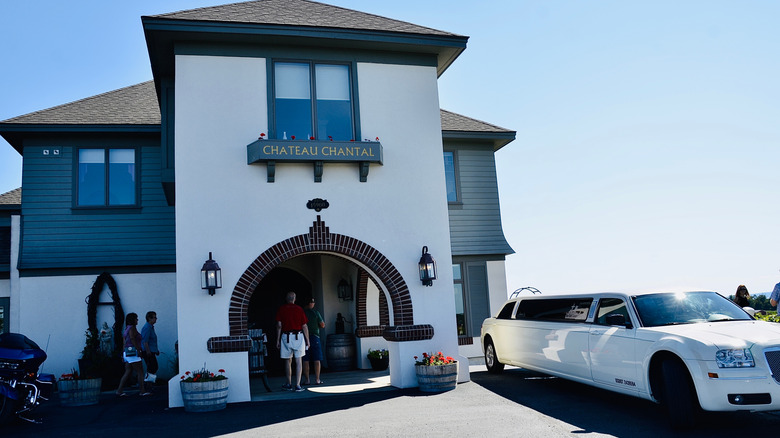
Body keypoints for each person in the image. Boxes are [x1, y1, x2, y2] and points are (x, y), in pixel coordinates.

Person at [275, 291, 309, 392]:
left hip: (286, 337)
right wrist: (308, 340)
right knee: (299, 361)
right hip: (298, 336)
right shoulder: (299, 309)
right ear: (294, 299)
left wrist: (277, 340)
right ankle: (298, 385)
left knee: (287, 360)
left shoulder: (282, 309)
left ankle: (288, 383)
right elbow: (304, 326)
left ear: (286, 298)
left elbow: (279, 326)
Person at [116, 313, 151, 397]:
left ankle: (119, 390)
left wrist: (123, 353)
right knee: (140, 371)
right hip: (133, 352)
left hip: (127, 352)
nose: (137, 320)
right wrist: (138, 349)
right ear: (133, 319)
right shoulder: (132, 328)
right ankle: (142, 391)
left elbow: (124, 341)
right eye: (136, 318)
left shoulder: (126, 329)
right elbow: (132, 338)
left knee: (128, 371)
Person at [301, 297, 325, 385]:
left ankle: (307, 380)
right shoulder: (315, 313)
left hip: (304, 337)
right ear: (310, 303)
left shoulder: (302, 313)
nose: (313, 304)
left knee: (305, 359)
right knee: (317, 359)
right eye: (312, 302)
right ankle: (317, 379)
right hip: (315, 337)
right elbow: (322, 325)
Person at [141, 311, 159, 383]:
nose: (156, 319)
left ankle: (150, 382)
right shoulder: (147, 327)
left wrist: (156, 350)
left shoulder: (150, 327)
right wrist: (148, 351)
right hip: (148, 351)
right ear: (149, 318)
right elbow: (145, 341)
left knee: (153, 367)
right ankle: (147, 383)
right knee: (152, 367)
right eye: (154, 317)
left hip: (152, 350)